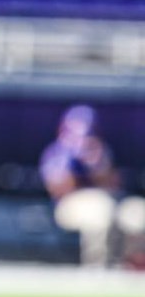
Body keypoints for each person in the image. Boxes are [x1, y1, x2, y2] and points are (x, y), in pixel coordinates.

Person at [42, 104, 145, 268]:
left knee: (137, 212)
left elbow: (114, 186)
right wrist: (73, 162)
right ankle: (98, 269)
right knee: (100, 211)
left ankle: (133, 267)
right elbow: (58, 190)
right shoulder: (57, 152)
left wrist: (97, 166)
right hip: (70, 205)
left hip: (109, 200)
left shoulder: (101, 150)